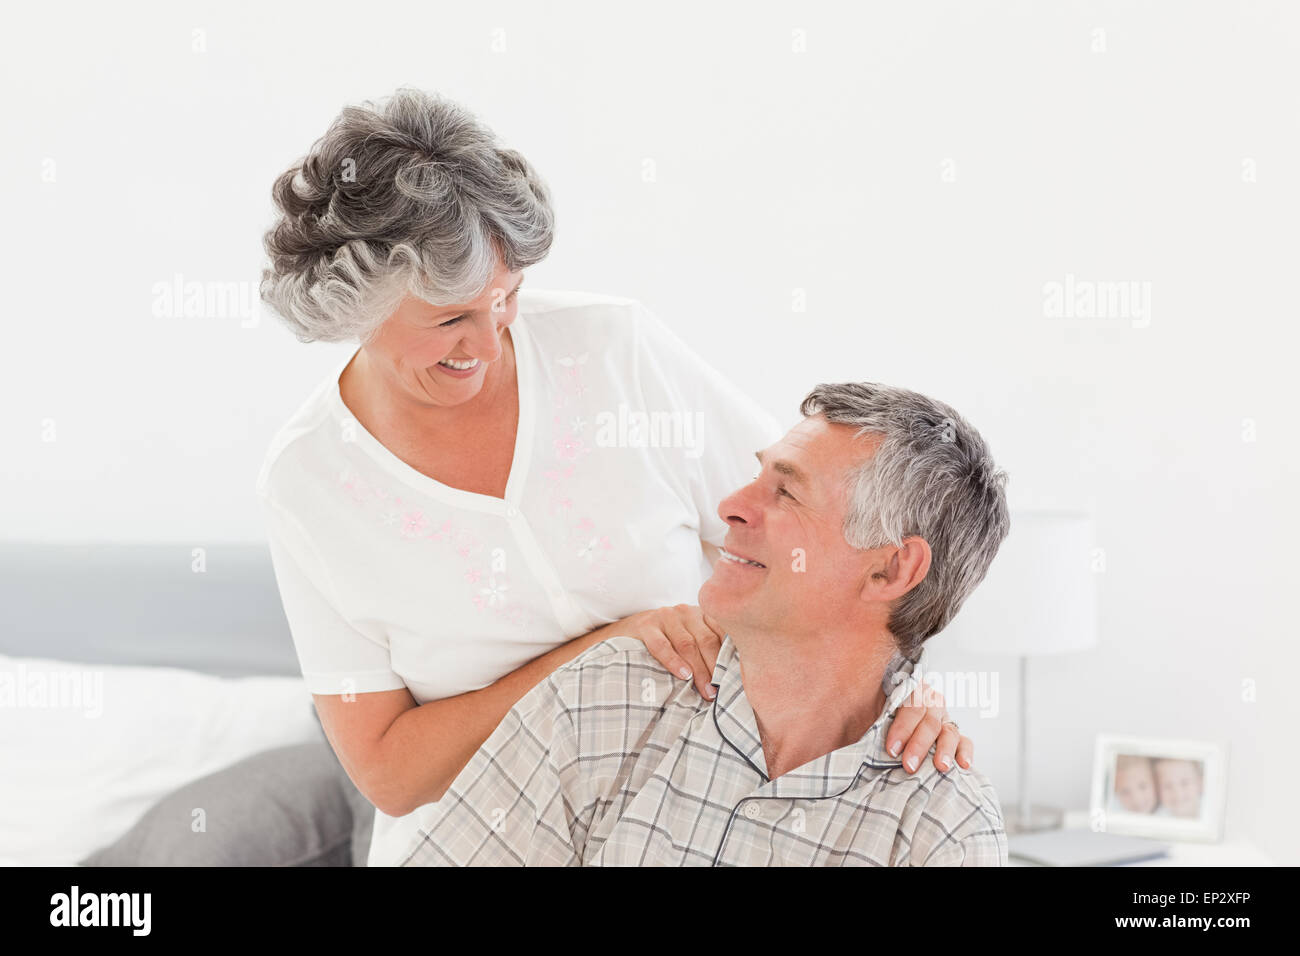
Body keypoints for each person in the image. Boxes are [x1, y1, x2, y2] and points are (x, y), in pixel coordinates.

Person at [80, 88, 969, 867]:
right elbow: (388, 770)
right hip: (468, 838)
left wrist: (897, 687)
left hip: (684, 820)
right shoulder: (310, 483)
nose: (490, 336)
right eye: (450, 318)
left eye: (506, 294)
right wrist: (604, 654)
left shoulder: (613, 350)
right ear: (351, 306)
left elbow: (822, 538)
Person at [401, 382, 1011, 866]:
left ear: (891, 569)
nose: (731, 507)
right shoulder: (607, 699)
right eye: (757, 476)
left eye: (787, 493)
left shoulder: (941, 832)